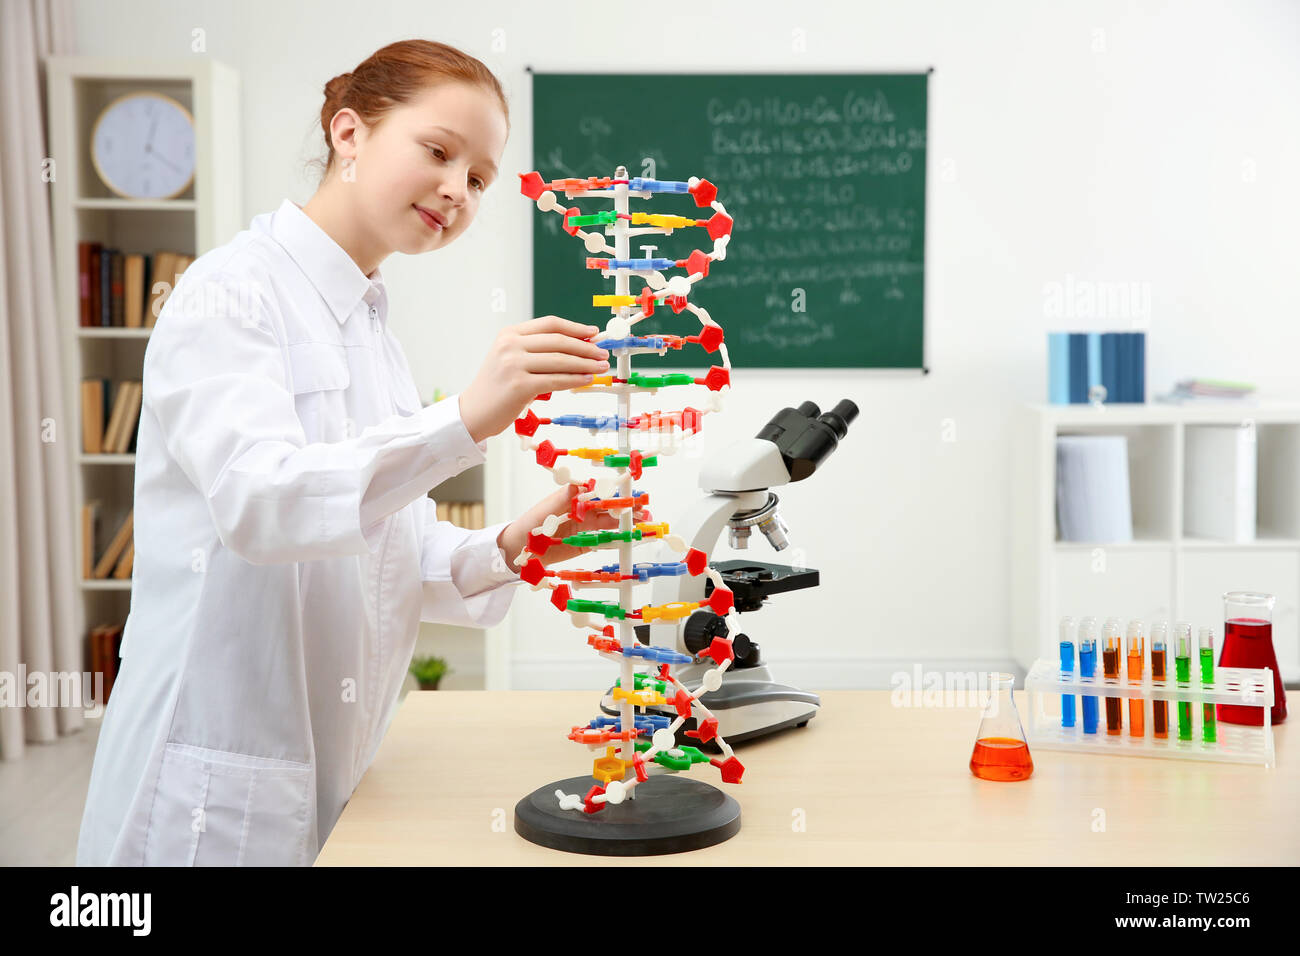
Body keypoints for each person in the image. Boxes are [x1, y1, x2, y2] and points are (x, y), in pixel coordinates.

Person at [76, 39, 616, 866]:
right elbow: (263, 505)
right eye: (438, 151)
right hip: (211, 792)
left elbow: (381, 547)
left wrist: (512, 547)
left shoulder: (369, 328)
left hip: (332, 768)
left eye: (478, 179)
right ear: (349, 134)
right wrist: (464, 419)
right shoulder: (232, 292)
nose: (455, 191)